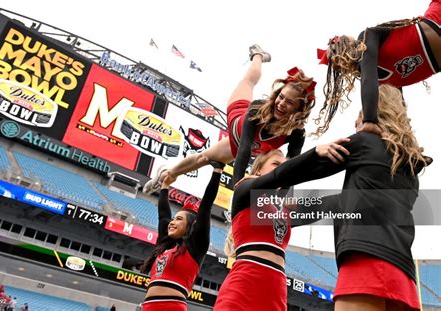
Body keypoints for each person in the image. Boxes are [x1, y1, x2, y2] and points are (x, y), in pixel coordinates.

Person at [238, 85, 430, 310]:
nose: (355, 128)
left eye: (357, 121)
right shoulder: (409, 168)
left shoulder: (365, 141)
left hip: (365, 263)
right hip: (403, 276)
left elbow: (302, 172)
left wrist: (315, 151)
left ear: (370, 116)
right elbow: (331, 205)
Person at [143, 44, 316, 194]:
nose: (281, 103)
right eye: (281, 97)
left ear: (299, 109)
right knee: (248, 82)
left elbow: (291, 169)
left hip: (241, 144)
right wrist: (238, 185)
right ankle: (258, 55)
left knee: (203, 158)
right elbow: (245, 147)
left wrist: (281, 200)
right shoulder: (258, 108)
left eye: (289, 102)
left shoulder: (296, 133)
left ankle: (167, 174)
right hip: (238, 119)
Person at [315, 0, 440, 136]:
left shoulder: (367, 38)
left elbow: (367, 78)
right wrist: (409, 143)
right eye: (337, 68)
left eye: (337, 54)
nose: (340, 67)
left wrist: (369, 121)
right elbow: (400, 110)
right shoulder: (380, 81)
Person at [140, 161, 224, 311]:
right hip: (147, 307)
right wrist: (165, 186)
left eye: (179, 219)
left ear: (191, 226)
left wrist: (217, 170)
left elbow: (206, 206)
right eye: (173, 219)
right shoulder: (165, 246)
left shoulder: (195, 248)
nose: (172, 222)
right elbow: (163, 216)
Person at [214, 149, 291, 310]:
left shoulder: (282, 208)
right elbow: (244, 147)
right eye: (275, 164)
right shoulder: (244, 191)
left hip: (276, 293)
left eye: (284, 166)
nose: (281, 169)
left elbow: (331, 205)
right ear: (258, 170)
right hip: (243, 288)